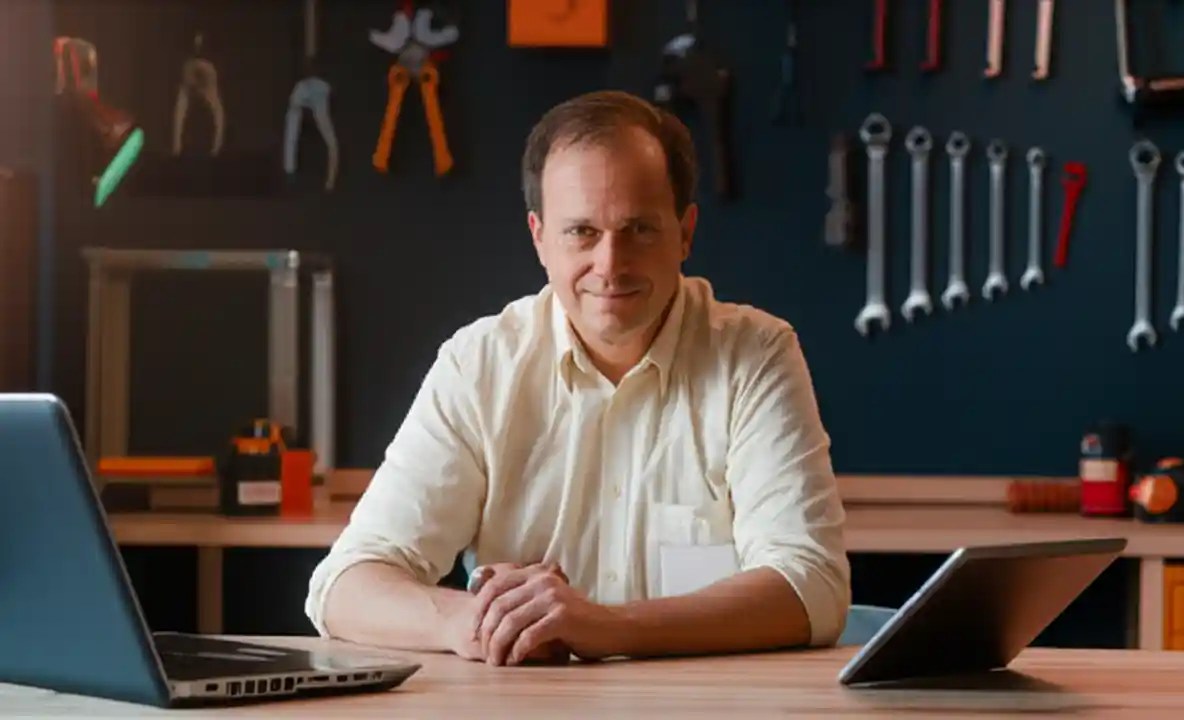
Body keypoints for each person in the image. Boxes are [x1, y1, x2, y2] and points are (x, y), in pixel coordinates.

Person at [304, 89, 850, 666]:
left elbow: (810, 585)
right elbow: (344, 586)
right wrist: (477, 621)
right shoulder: (479, 365)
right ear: (539, 236)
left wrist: (605, 627)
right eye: (582, 232)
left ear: (685, 233)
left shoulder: (756, 354)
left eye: (639, 229)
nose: (610, 265)